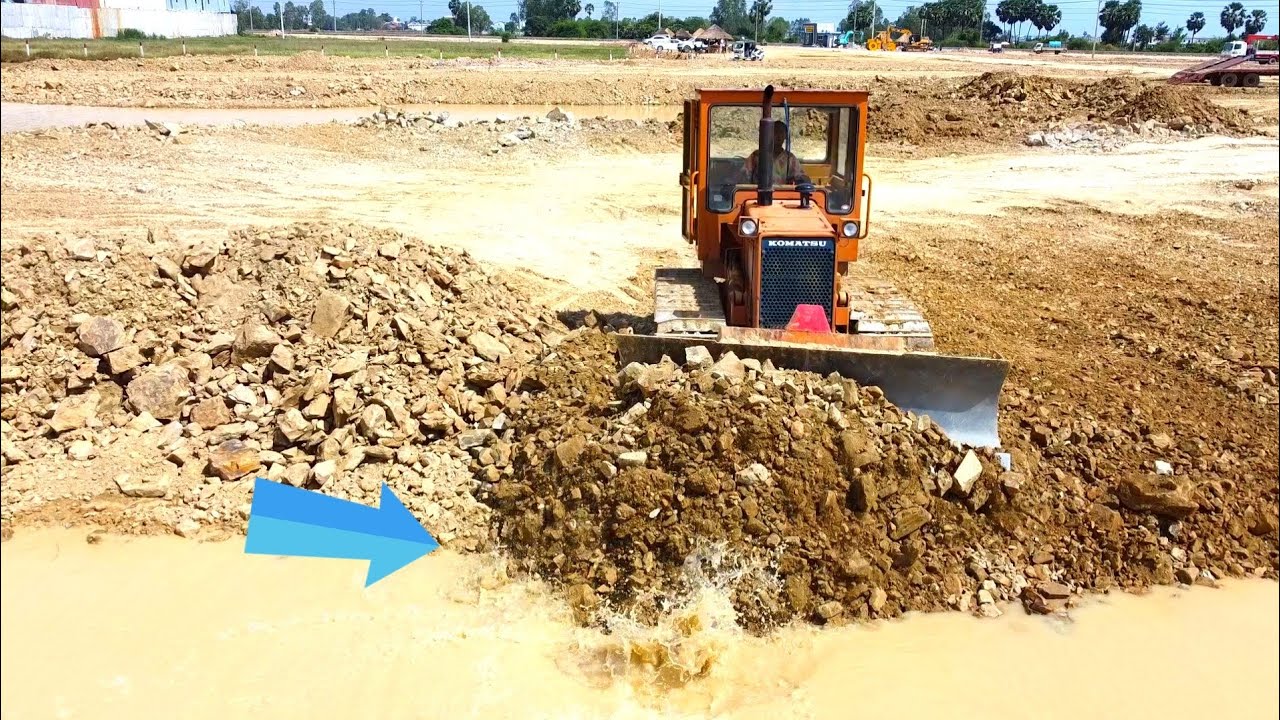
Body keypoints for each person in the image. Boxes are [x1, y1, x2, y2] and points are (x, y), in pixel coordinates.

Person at [742, 121, 807, 186]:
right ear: (769, 134)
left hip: (782, 194)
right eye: (775, 132)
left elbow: (800, 177)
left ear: (786, 136)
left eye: (781, 132)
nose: (778, 136)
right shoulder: (756, 156)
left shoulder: (790, 158)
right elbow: (744, 176)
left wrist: (804, 181)